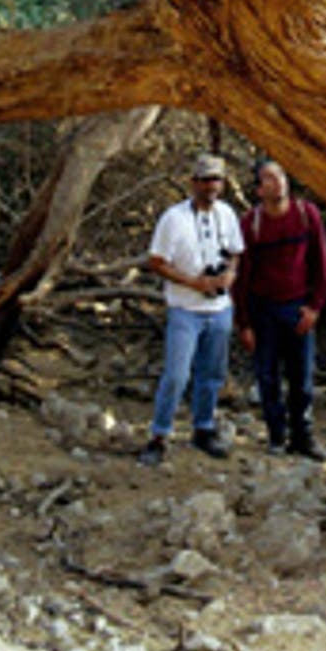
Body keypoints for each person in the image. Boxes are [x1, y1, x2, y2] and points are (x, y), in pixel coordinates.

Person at [138, 151, 244, 466]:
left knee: (212, 374)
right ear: (193, 182)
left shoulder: (227, 214)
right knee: (176, 375)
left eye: (217, 179)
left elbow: (236, 251)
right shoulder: (173, 218)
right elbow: (156, 261)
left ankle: (203, 428)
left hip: (220, 308)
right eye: (205, 179)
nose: (211, 186)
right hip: (185, 308)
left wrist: (230, 275)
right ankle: (159, 435)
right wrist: (192, 282)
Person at [234, 157, 326, 459]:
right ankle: (277, 436)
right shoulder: (250, 224)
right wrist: (244, 323)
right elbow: (241, 277)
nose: (278, 183)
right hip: (263, 311)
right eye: (269, 179)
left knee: (302, 379)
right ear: (258, 189)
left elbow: (322, 265)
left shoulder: (307, 215)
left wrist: (314, 308)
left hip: (298, 307)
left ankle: (304, 435)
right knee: (267, 377)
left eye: (281, 176)